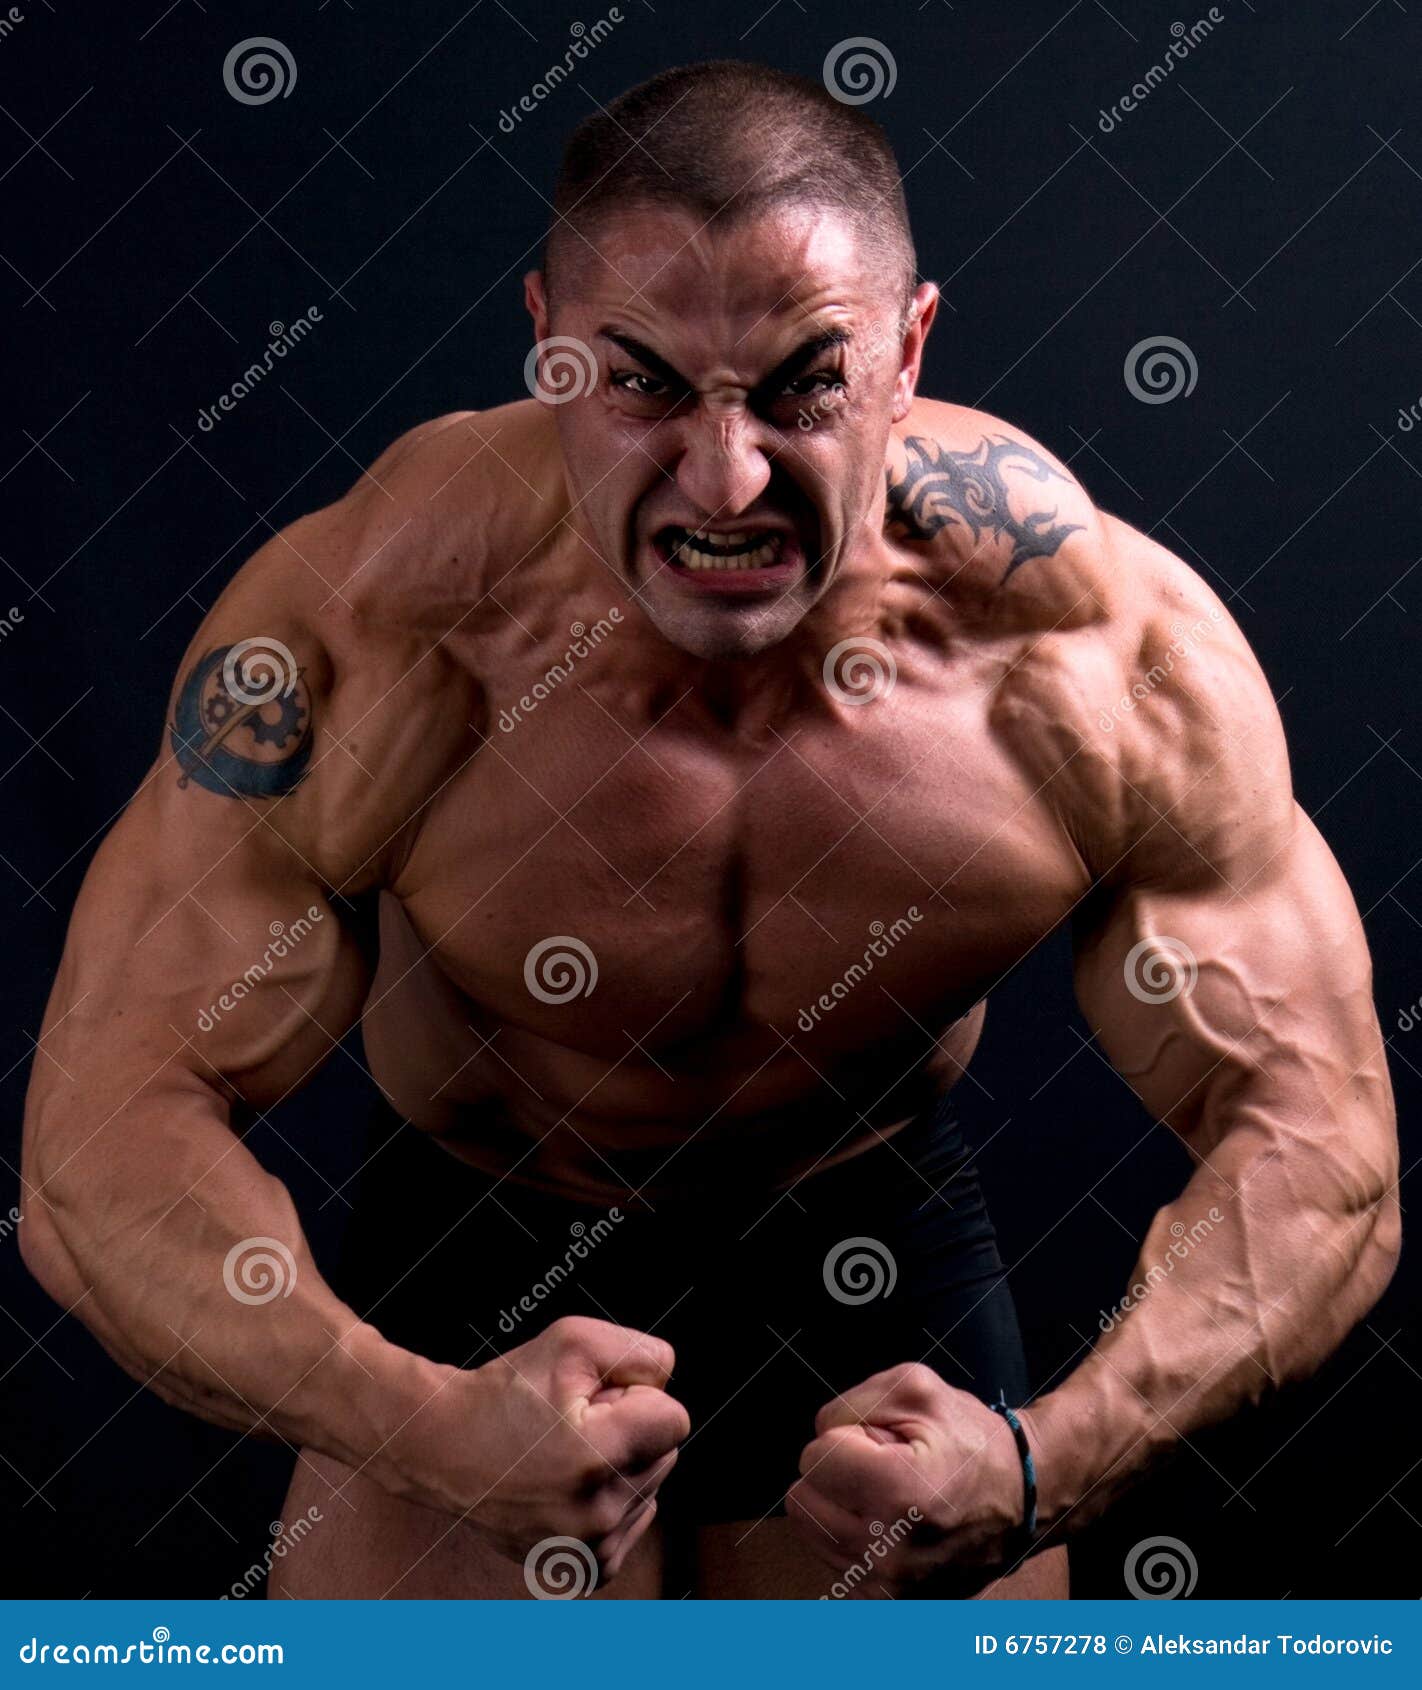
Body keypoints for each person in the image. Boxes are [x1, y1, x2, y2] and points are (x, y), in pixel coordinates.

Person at [20, 60, 1399, 1600]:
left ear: (907, 350)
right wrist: (420, 1422)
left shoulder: (1089, 657)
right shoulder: (381, 628)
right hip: (481, 1255)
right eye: (643, 384)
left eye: (805, 381)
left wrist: (1044, 1460)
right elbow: (97, 1143)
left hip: (872, 1265)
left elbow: (1323, 1145)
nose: (725, 476)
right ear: (547, 348)